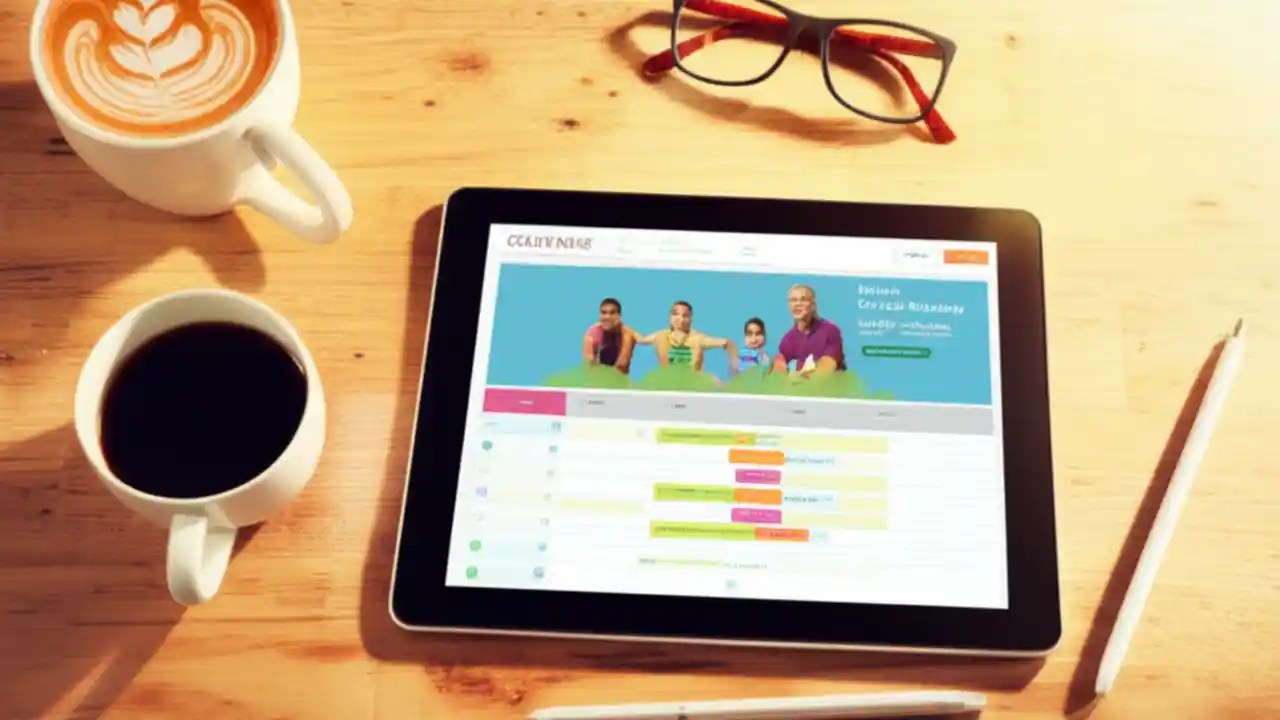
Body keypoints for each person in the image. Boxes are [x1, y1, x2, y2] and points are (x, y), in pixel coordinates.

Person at [637, 301, 737, 373]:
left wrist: (734, 368)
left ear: (690, 319)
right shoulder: (660, 336)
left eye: (685, 316)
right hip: (668, 383)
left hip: (692, 384)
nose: (680, 319)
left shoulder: (698, 339)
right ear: (670, 317)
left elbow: (728, 343)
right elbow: (639, 339)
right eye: (676, 314)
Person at [772, 284, 846, 377]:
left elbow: (826, 370)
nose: (797, 304)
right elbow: (777, 374)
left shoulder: (830, 330)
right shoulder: (787, 340)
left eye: (803, 299)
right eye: (793, 300)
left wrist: (796, 377)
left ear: (813, 305)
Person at [582, 297, 636, 373]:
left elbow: (622, 365)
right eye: (603, 313)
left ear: (619, 316)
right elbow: (589, 365)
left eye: (612, 313)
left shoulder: (627, 333)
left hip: (619, 379)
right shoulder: (592, 334)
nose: (607, 317)